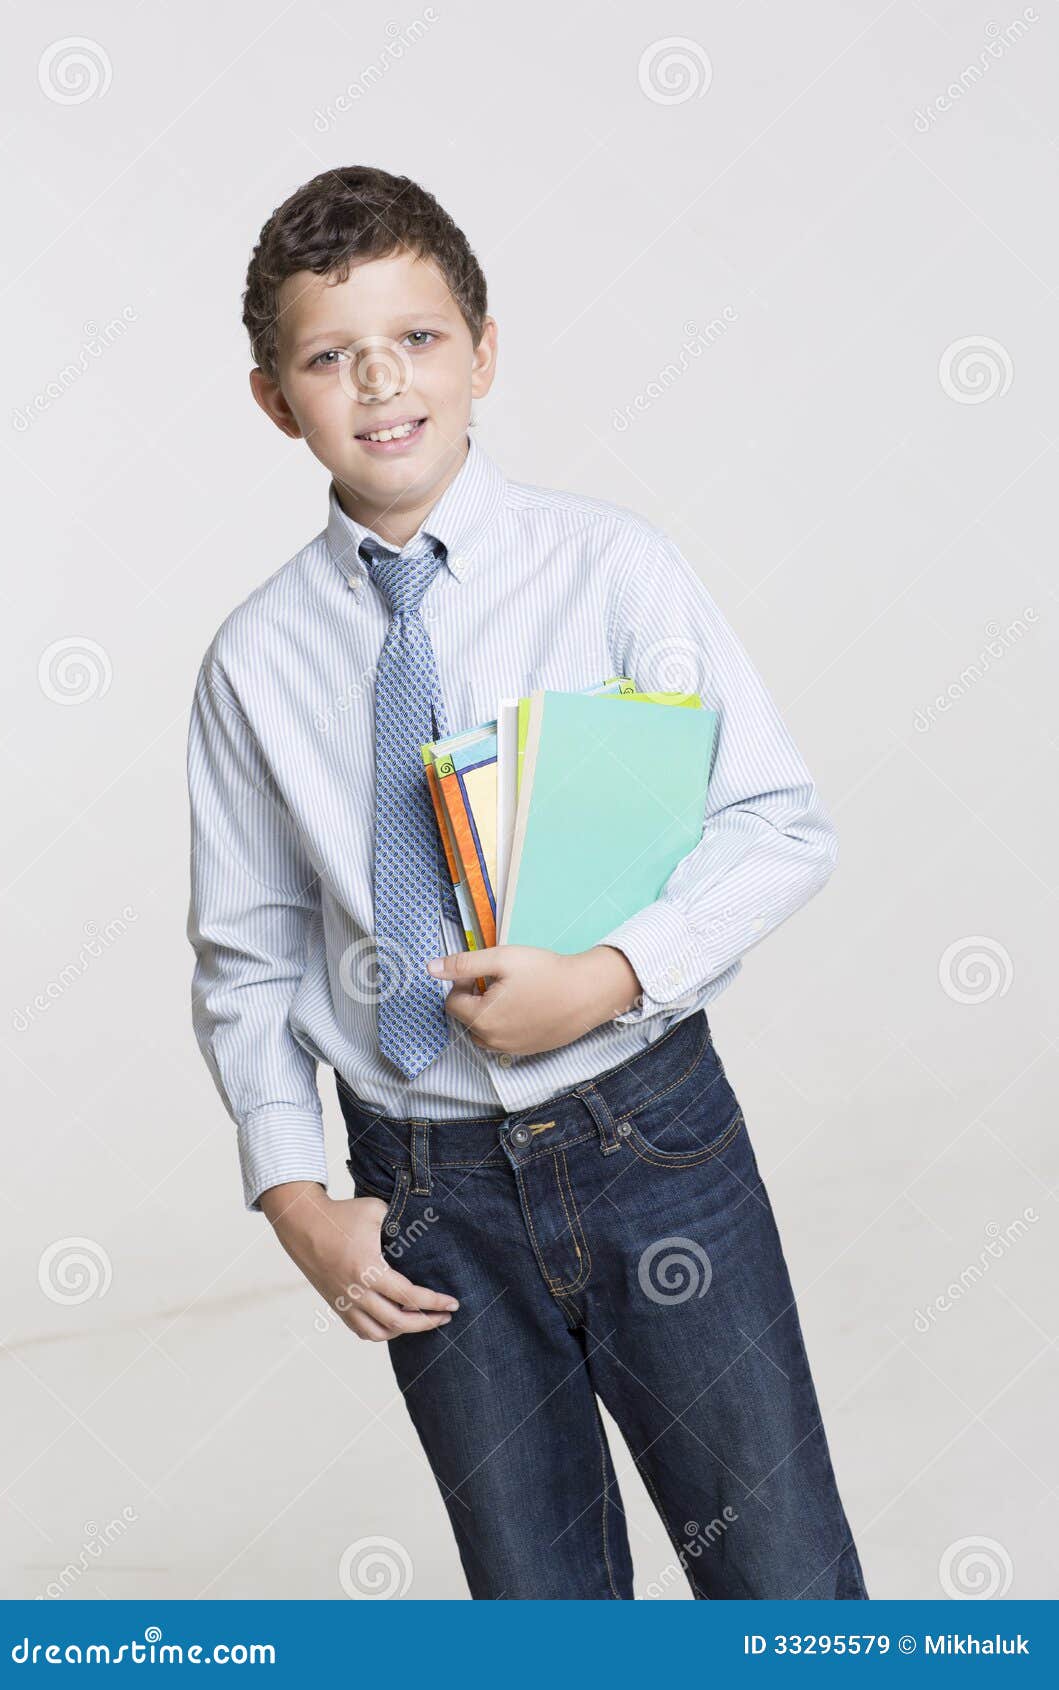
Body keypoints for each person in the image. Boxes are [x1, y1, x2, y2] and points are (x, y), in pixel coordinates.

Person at [185, 164, 868, 1601]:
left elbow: (776, 821)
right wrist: (297, 1198)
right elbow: (245, 957)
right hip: (426, 1193)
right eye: (330, 355)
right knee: (538, 1606)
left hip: (650, 1145)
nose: (382, 380)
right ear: (273, 399)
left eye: (420, 338)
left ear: (483, 352)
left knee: (784, 1579)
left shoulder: (607, 569)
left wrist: (609, 975)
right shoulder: (254, 661)